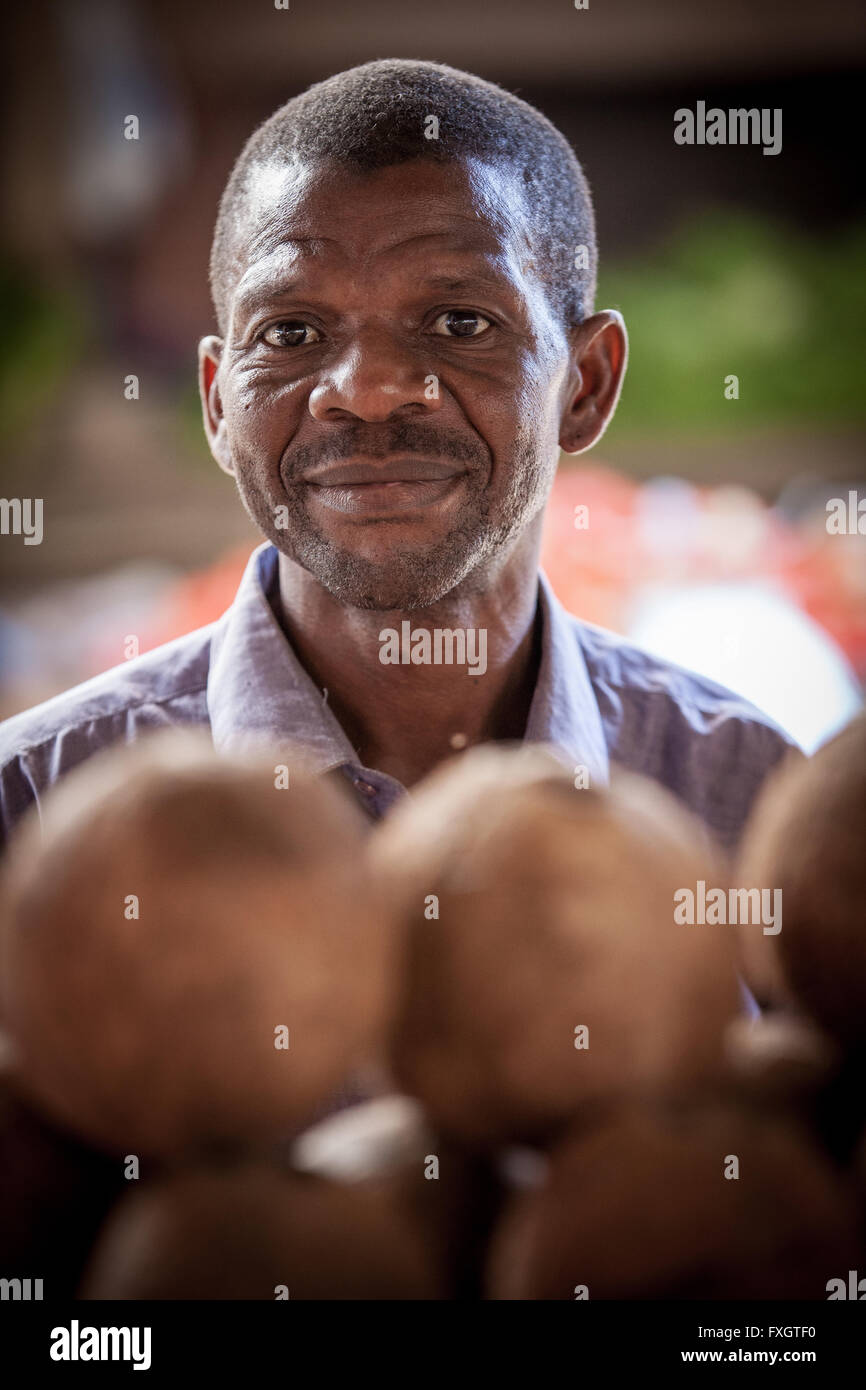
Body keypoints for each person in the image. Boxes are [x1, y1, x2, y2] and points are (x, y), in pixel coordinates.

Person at [0, 60, 796, 854]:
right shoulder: (35, 807)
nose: (370, 391)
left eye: (458, 322)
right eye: (290, 334)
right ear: (218, 403)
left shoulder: (746, 803)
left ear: (584, 385)